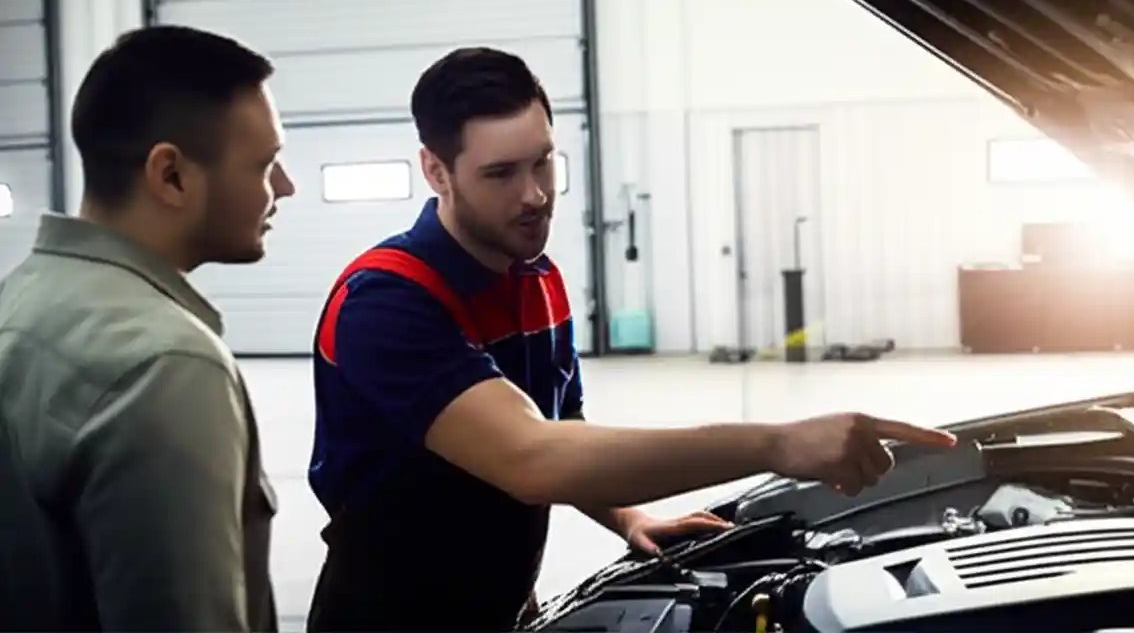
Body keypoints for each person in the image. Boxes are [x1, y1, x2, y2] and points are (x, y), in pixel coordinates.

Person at [304, 47, 956, 632]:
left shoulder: (537, 278)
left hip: (499, 607)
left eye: (544, 162)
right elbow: (530, 458)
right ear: (436, 171)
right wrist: (778, 444)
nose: (535, 196)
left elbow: (566, 431)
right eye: (500, 174)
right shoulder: (385, 301)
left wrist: (626, 516)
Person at [0, 25, 294, 631]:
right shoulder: (167, 366)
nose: (284, 188)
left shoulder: (21, 299)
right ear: (171, 175)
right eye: (265, 165)